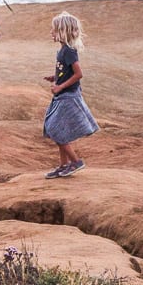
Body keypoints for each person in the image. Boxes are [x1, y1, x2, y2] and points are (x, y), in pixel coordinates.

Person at [42, 11, 98, 179]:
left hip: (68, 97)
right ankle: (63, 165)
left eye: (53, 30)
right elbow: (66, 71)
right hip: (62, 96)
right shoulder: (62, 51)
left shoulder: (69, 51)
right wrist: (55, 77)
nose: (51, 33)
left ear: (62, 31)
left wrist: (60, 87)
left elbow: (78, 74)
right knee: (58, 131)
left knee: (55, 129)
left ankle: (75, 162)